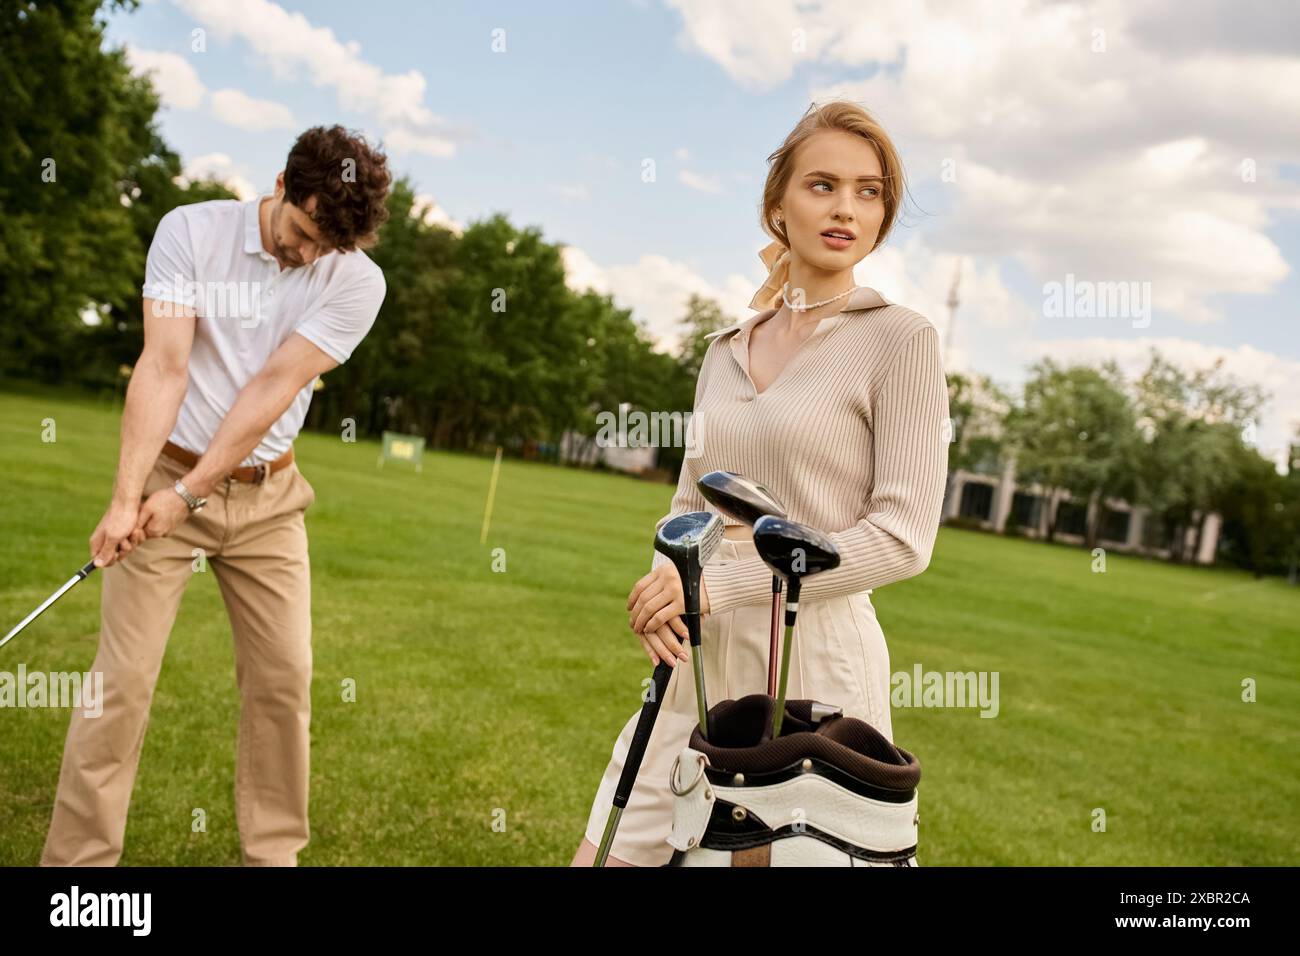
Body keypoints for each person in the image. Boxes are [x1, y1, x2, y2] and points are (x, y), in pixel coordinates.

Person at [572, 100, 950, 867]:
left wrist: (729, 582)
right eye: (822, 185)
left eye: (870, 191)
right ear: (777, 204)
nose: (847, 207)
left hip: (820, 666)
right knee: (613, 855)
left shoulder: (901, 340)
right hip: (700, 657)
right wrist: (664, 589)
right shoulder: (725, 348)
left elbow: (903, 539)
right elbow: (690, 502)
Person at [41, 125, 390, 867]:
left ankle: (273, 858)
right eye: (299, 232)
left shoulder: (356, 280)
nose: (303, 255)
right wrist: (126, 498)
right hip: (166, 476)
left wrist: (195, 494)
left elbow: (273, 387)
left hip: (269, 499)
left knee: (284, 678)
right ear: (279, 186)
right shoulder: (191, 231)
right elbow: (164, 368)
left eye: (323, 247)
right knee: (123, 682)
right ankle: (75, 868)